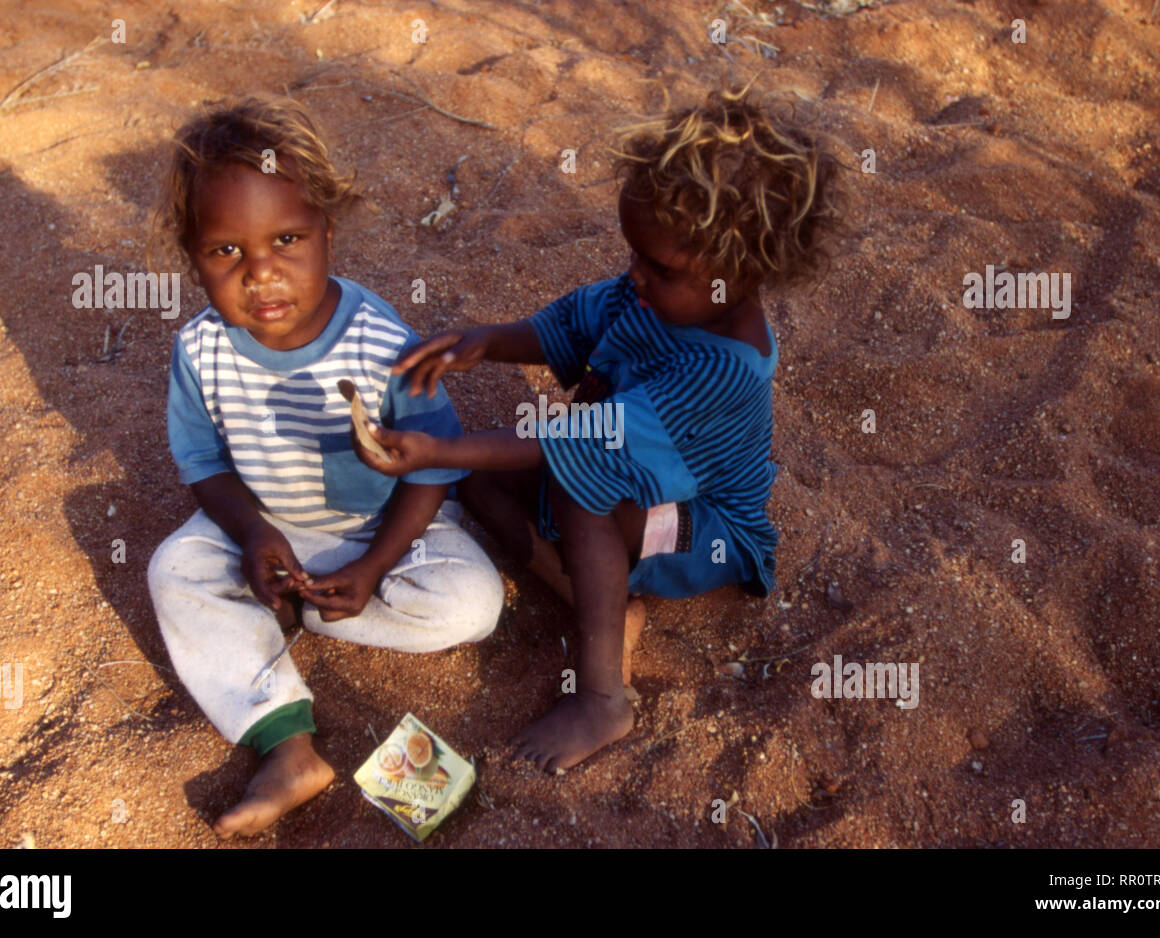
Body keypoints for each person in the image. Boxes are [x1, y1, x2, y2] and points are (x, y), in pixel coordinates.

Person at [355, 83, 845, 773]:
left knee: (582, 497)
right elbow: (573, 324)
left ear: (747, 270)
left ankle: (603, 696)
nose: (636, 277)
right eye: (634, 256)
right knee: (475, 481)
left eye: (661, 267)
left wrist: (436, 445)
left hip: (703, 527)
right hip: (615, 462)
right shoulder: (666, 296)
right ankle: (610, 611)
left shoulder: (724, 370)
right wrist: (488, 341)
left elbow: (594, 444)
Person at [145, 96, 503, 836]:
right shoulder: (201, 349)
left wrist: (374, 566)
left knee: (474, 603)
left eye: (286, 239)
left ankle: (296, 609)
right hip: (266, 528)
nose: (261, 273)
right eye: (226, 251)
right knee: (172, 570)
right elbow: (204, 462)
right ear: (192, 256)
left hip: (381, 529)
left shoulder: (380, 342)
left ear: (327, 234)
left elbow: (434, 471)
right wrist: (247, 534)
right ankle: (285, 742)